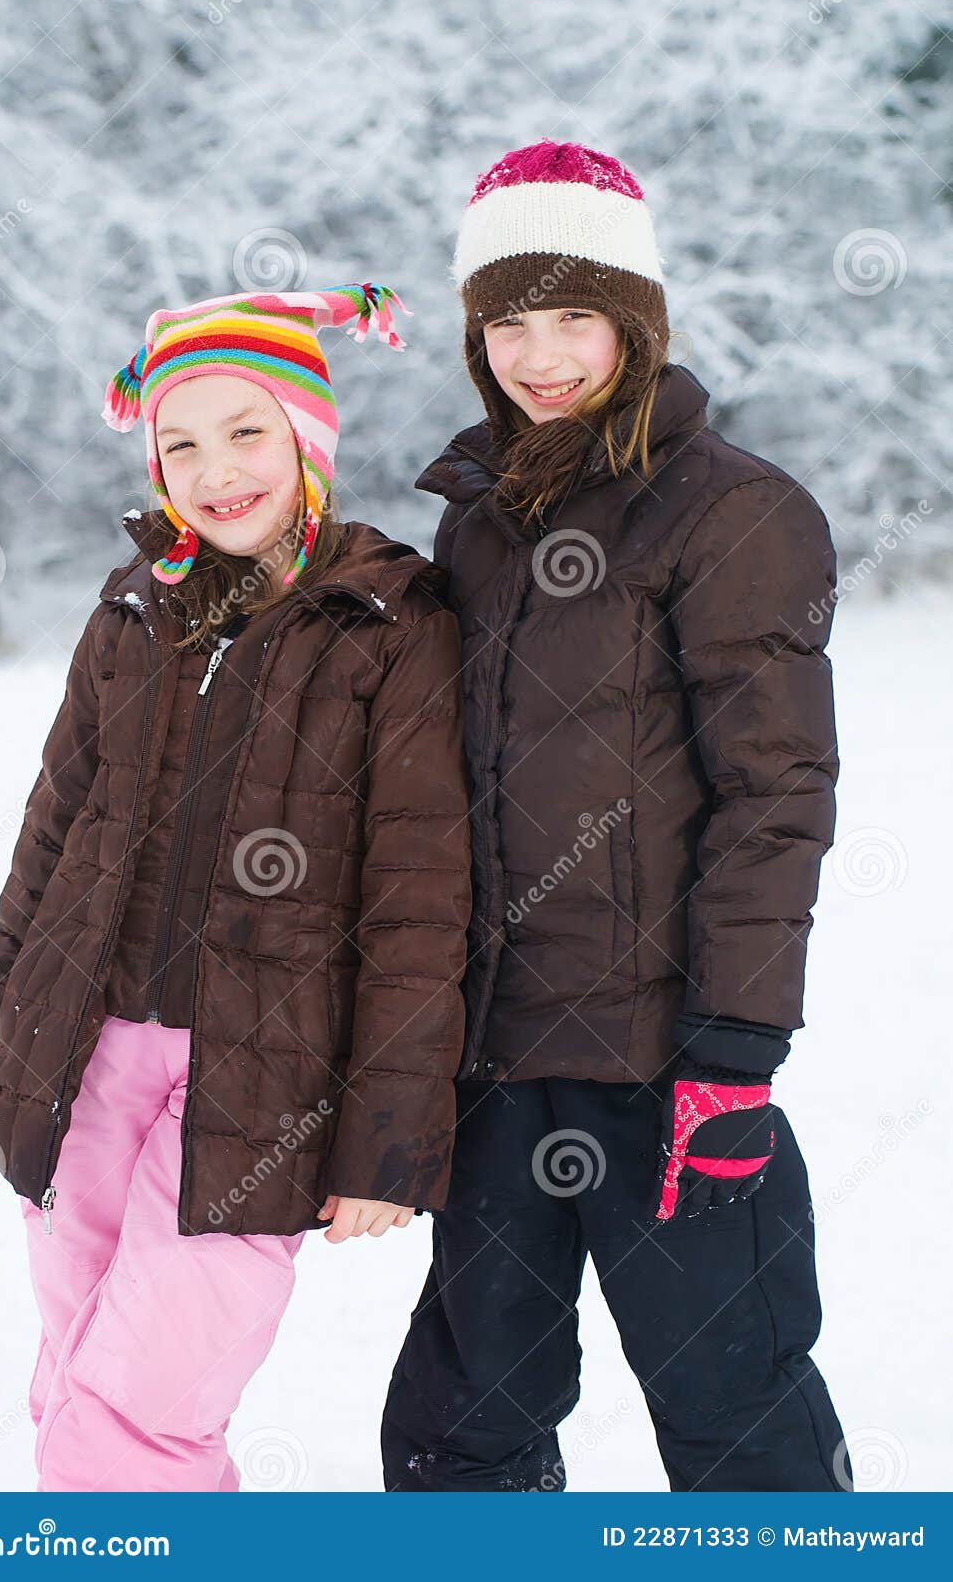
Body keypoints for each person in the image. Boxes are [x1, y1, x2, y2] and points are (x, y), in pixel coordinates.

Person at [0, 282, 473, 1492]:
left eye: (246, 430)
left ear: (308, 437)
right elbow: (50, 849)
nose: (216, 470)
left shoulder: (386, 619)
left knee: (144, 1399)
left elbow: (419, 896)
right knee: (77, 1368)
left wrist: (385, 1134)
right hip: (82, 1051)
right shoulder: (129, 611)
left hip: (266, 1076)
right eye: (181, 441)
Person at [381, 141, 853, 1492]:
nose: (537, 354)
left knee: (733, 1412)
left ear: (634, 324)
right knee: (455, 1425)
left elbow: (775, 794)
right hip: (491, 1063)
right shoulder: (471, 525)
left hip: (665, 1057)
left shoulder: (732, 513)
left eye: (571, 316)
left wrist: (733, 1047)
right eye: (506, 321)